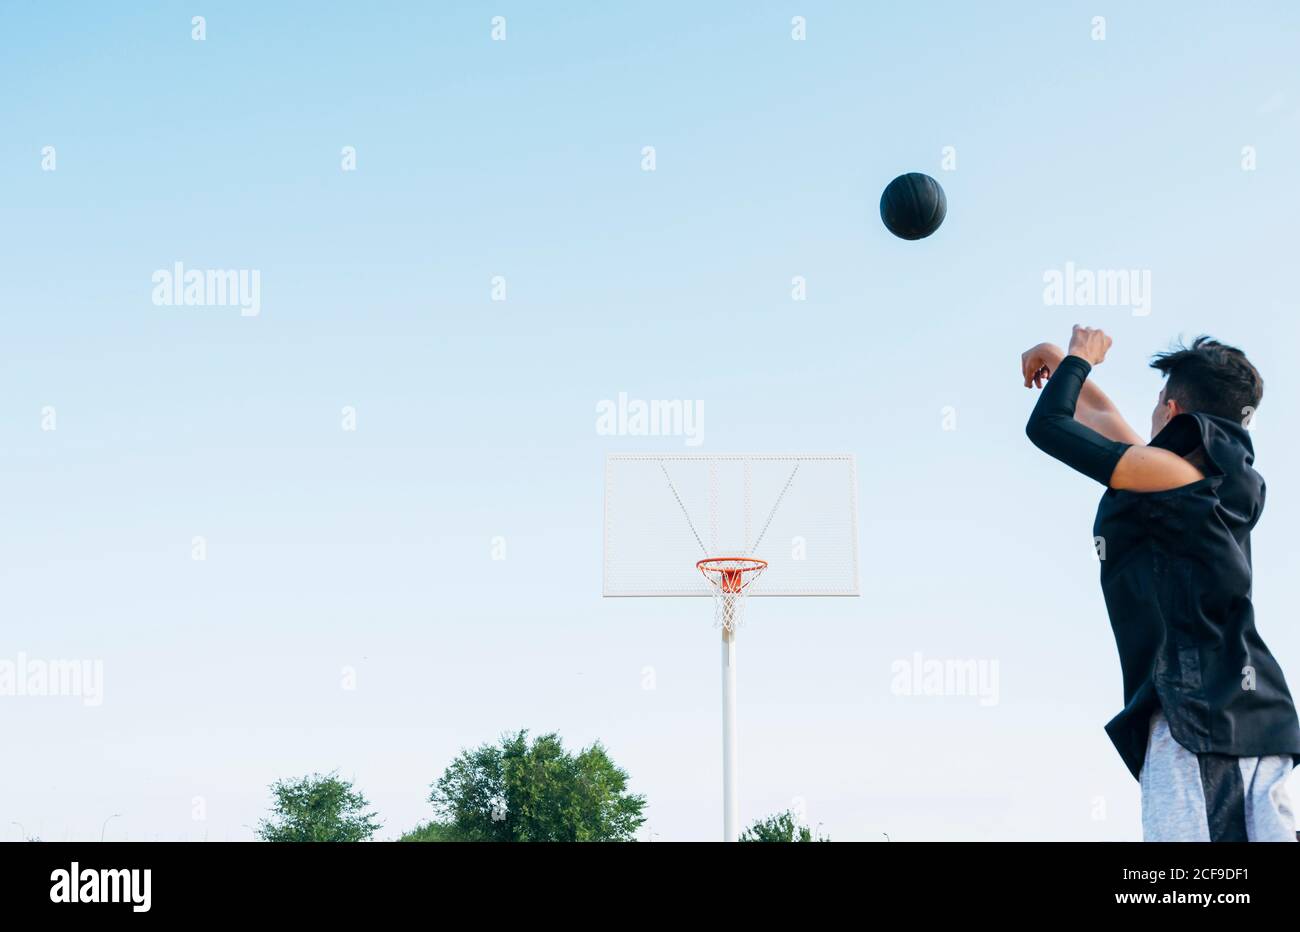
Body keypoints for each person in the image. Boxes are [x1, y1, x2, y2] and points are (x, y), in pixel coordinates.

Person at [1022, 326, 1300, 841]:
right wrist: (1059, 360)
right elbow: (1106, 422)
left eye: (1155, 405)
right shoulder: (1194, 476)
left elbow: (1050, 426)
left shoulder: (1177, 475)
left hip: (1202, 717)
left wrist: (1080, 358)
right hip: (1224, 713)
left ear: (1171, 411)